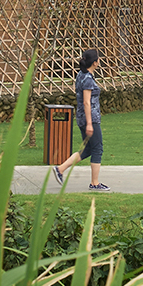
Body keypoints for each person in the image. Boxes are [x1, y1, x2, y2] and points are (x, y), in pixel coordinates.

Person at [53, 49, 109, 191]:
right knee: (97, 148)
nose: (99, 61)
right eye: (98, 59)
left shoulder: (81, 75)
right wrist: (90, 123)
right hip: (90, 118)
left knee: (88, 149)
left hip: (82, 117)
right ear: (95, 62)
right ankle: (94, 183)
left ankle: (60, 169)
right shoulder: (88, 79)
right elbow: (86, 102)